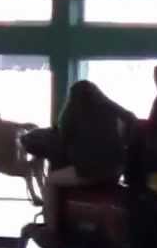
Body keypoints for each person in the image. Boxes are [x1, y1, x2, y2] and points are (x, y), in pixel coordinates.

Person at [42, 80, 134, 230]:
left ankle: (52, 228)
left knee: (52, 180)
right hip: (116, 171)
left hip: (90, 172)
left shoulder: (72, 113)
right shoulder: (111, 109)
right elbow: (131, 120)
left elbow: (63, 139)